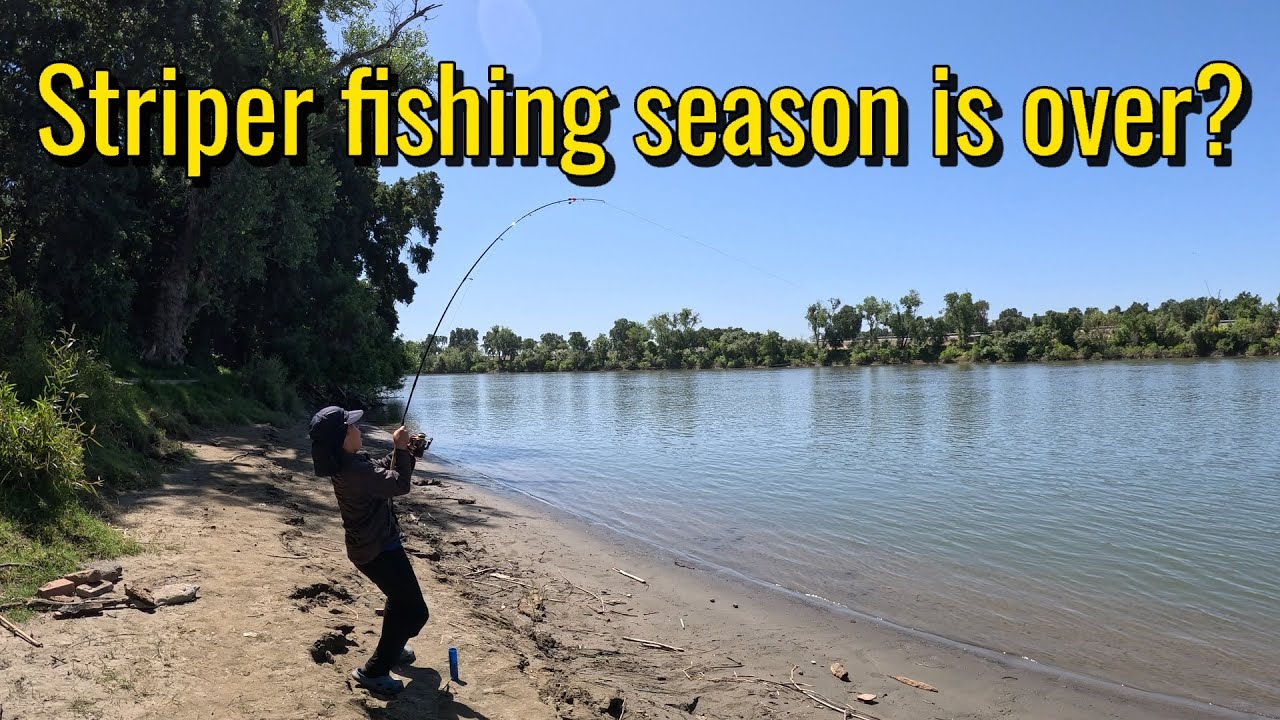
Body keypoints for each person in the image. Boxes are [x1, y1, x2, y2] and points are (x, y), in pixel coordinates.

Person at [308, 405, 426, 695]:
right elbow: (398, 485)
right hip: (378, 550)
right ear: (343, 437)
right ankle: (373, 672)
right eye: (353, 426)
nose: (358, 429)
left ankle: (393, 648)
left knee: (401, 603)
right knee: (414, 612)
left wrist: (405, 451)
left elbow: (382, 471)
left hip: (373, 546)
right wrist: (399, 447)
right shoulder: (353, 470)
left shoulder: (348, 462)